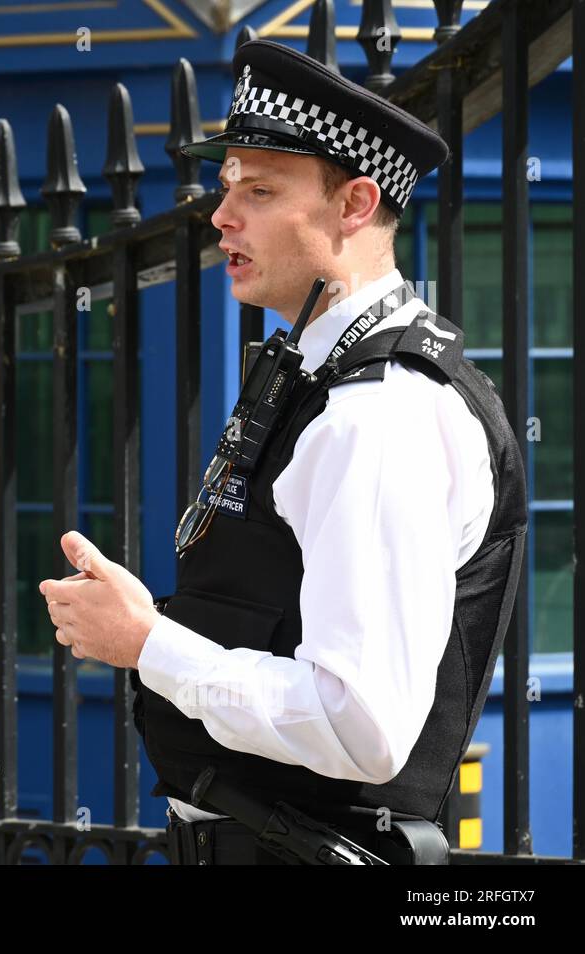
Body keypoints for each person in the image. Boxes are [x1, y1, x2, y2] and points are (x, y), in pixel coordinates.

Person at [38, 40, 527, 864]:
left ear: (356, 204)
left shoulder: (377, 416)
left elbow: (357, 724)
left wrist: (148, 643)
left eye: (260, 190)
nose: (223, 215)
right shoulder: (322, 374)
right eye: (227, 186)